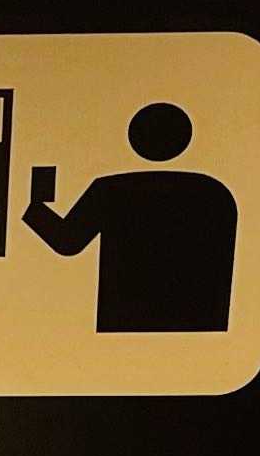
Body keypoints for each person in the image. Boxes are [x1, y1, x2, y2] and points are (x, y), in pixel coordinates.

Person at [22, 102, 240, 335]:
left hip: (125, 320)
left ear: (135, 138)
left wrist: (36, 206)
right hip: (199, 323)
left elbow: (67, 242)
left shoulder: (111, 190)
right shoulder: (217, 194)